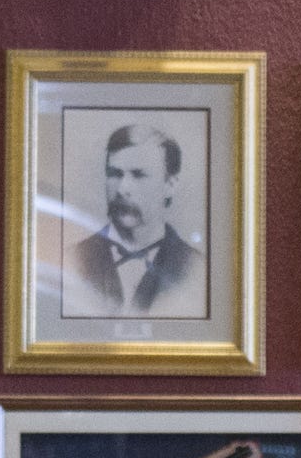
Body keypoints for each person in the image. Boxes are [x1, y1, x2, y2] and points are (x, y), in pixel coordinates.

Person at [67, 121, 204, 316]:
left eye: (139, 175)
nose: (123, 189)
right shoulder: (72, 260)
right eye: (115, 174)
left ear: (170, 185)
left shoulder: (197, 270)